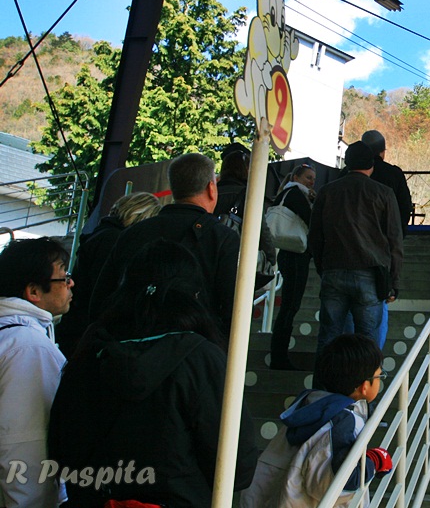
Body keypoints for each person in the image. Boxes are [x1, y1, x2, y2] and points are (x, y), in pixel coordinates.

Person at [48, 239, 258, 507]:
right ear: (193, 296)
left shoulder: (90, 351)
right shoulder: (201, 358)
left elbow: (63, 446)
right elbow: (237, 468)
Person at [91, 153, 240, 336]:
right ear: (211, 188)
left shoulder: (132, 233)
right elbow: (233, 311)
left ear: (173, 188)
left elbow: (101, 301)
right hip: (194, 352)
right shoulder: (224, 239)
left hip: (131, 348)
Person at [240, 334, 392, 508]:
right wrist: (374, 461)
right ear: (365, 386)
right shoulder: (344, 421)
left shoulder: (310, 407)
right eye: (380, 376)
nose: (380, 381)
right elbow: (332, 484)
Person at [310, 141, 403, 356]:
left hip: (333, 271)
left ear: (347, 164)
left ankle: (323, 388)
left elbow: (315, 236)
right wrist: (393, 281)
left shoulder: (326, 192)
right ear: (372, 165)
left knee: (328, 338)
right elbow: (394, 241)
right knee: (367, 343)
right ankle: (364, 386)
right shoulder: (384, 193)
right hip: (370, 274)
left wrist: (322, 268)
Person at [0, 237, 72, 507]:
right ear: (33, 292)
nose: (70, 284)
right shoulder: (29, 348)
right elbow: (24, 446)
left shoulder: (11, 336)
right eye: (64, 278)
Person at [57, 192, 161, 358]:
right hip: (87, 332)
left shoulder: (101, 233)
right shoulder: (115, 241)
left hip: (76, 326)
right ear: (143, 217)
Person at [269, 164, 316, 370]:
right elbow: (311, 221)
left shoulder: (285, 193)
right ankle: (279, 356)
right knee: (290, 305)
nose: (311, 181)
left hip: (288, 252)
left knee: (289, 304)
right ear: (296, 177)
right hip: (296, 254)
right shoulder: (296, 193)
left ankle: (278, 354)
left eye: (313, 178)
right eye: (307, 177)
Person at [214, 148, 277, 287]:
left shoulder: (212, 192)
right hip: (238, 262)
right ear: (246, 169)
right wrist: (271, 257)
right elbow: (262, 230)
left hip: (211, 258)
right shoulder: (249, 195)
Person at [361, 130, 413, 236]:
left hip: (353, 237)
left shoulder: (348, 173)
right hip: (386, 236)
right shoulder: (394, 173)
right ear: (382, 152)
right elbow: (405, 206)